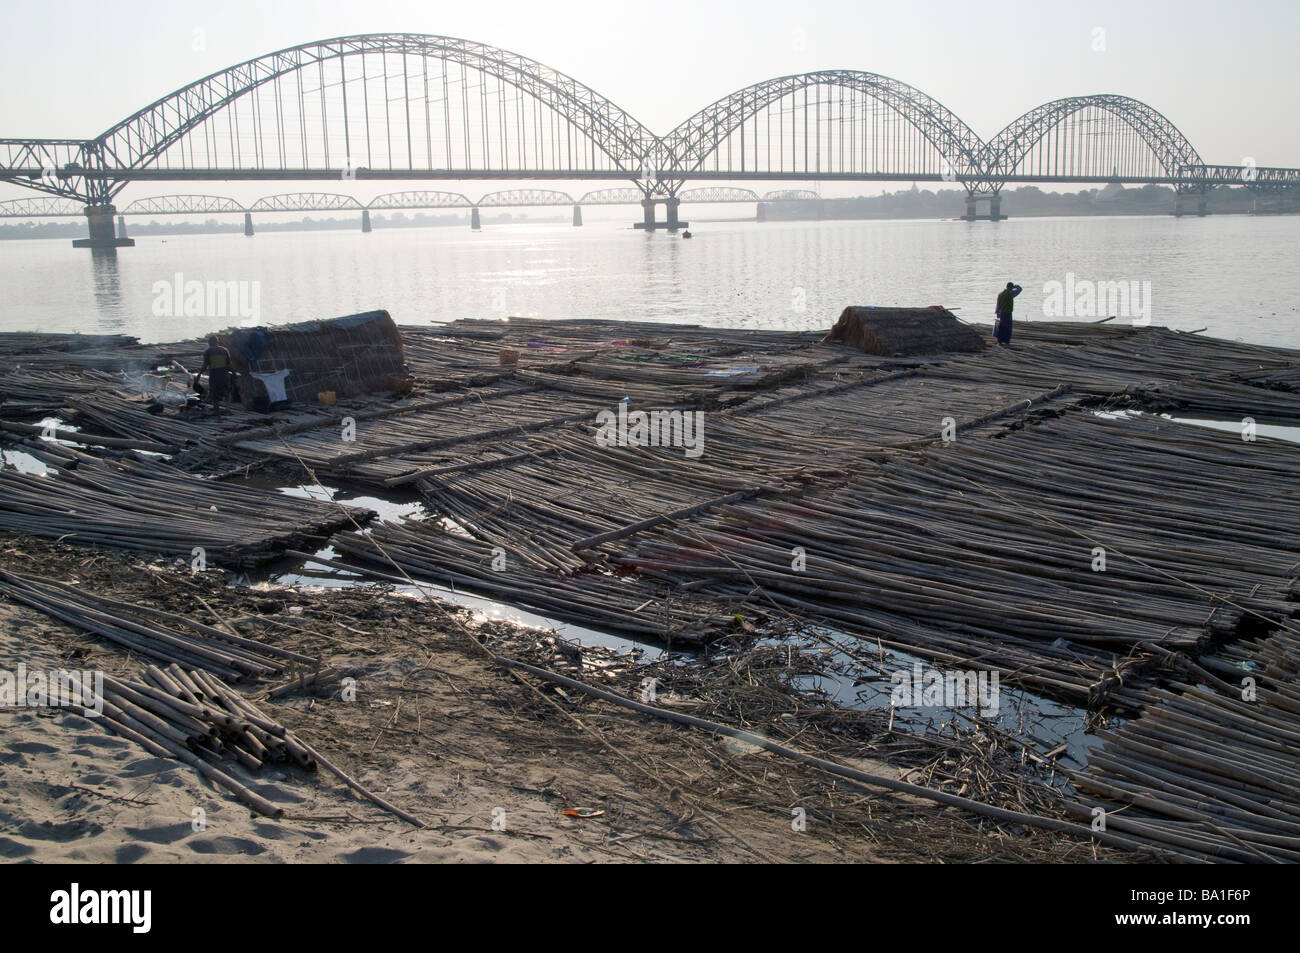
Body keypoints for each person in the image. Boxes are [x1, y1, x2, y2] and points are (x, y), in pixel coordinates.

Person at [196, 335, 234, 417]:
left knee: (214, 395)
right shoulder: (224, 350)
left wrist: (199, 374)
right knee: (227, 392)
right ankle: (228, 409)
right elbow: (229, 365)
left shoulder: (208, 352)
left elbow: (205, 365)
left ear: (209, 343)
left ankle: (218, 416)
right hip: (224, 375)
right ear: (217, 342)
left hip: (215, 376)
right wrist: (234, 373)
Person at [994, 281, 1023, 345]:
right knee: (1008, 328)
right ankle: (1007, 341)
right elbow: (1020, 289)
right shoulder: (1010, 293)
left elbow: (998, 304)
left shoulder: (1000, 294)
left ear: (1006, 287)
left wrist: (997, 312)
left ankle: (1000, 341)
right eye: (1012, 288)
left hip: (1001, 313)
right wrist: (1016, 286)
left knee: (1001, 327)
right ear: (1011, 288)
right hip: (1007, 313)